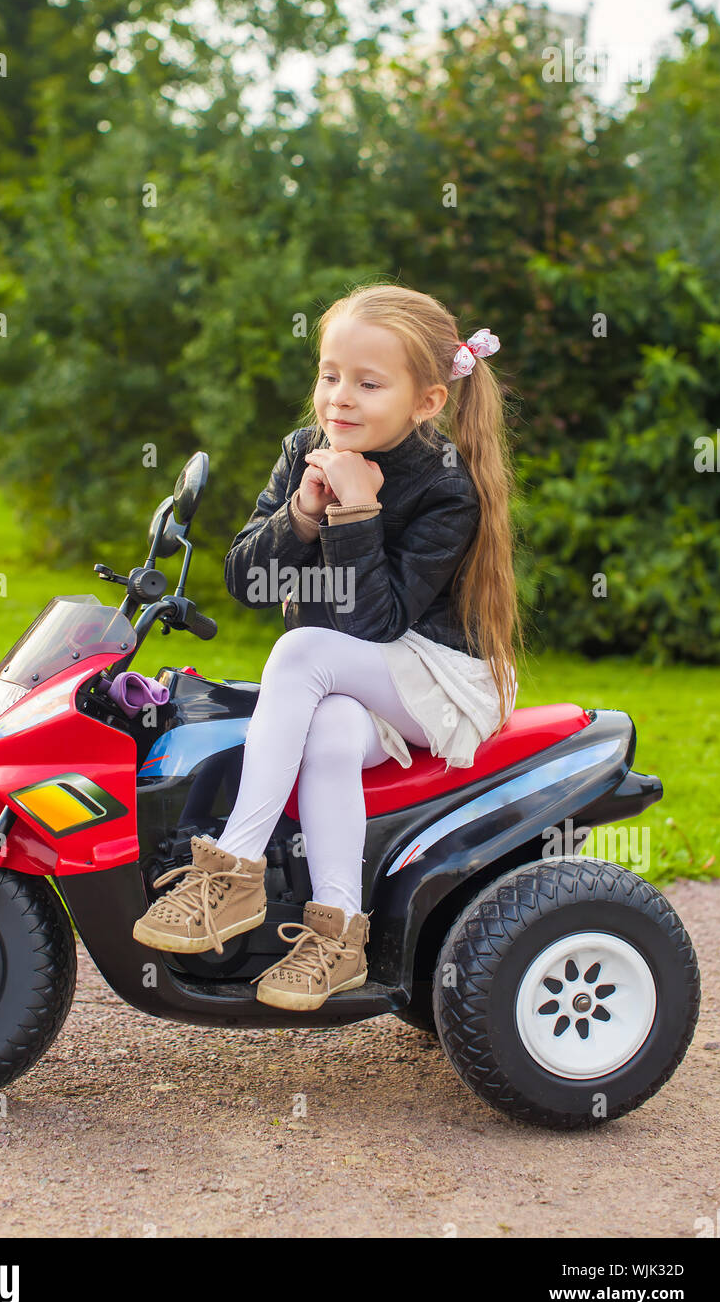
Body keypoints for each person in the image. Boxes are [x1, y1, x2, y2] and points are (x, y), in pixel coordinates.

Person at [133, 282, 521, 1011]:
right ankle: (340, 934)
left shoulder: (447, 490)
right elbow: (246, 583)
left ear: (427, 401)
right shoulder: (303, 452)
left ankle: (233, 868)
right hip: (357, 681)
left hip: (442, 678)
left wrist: (357, 512)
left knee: (301, 651)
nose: (339, 397)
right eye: (329, 374)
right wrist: (304, 511)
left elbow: (378, 622)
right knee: (332, 731)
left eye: (369, 384)